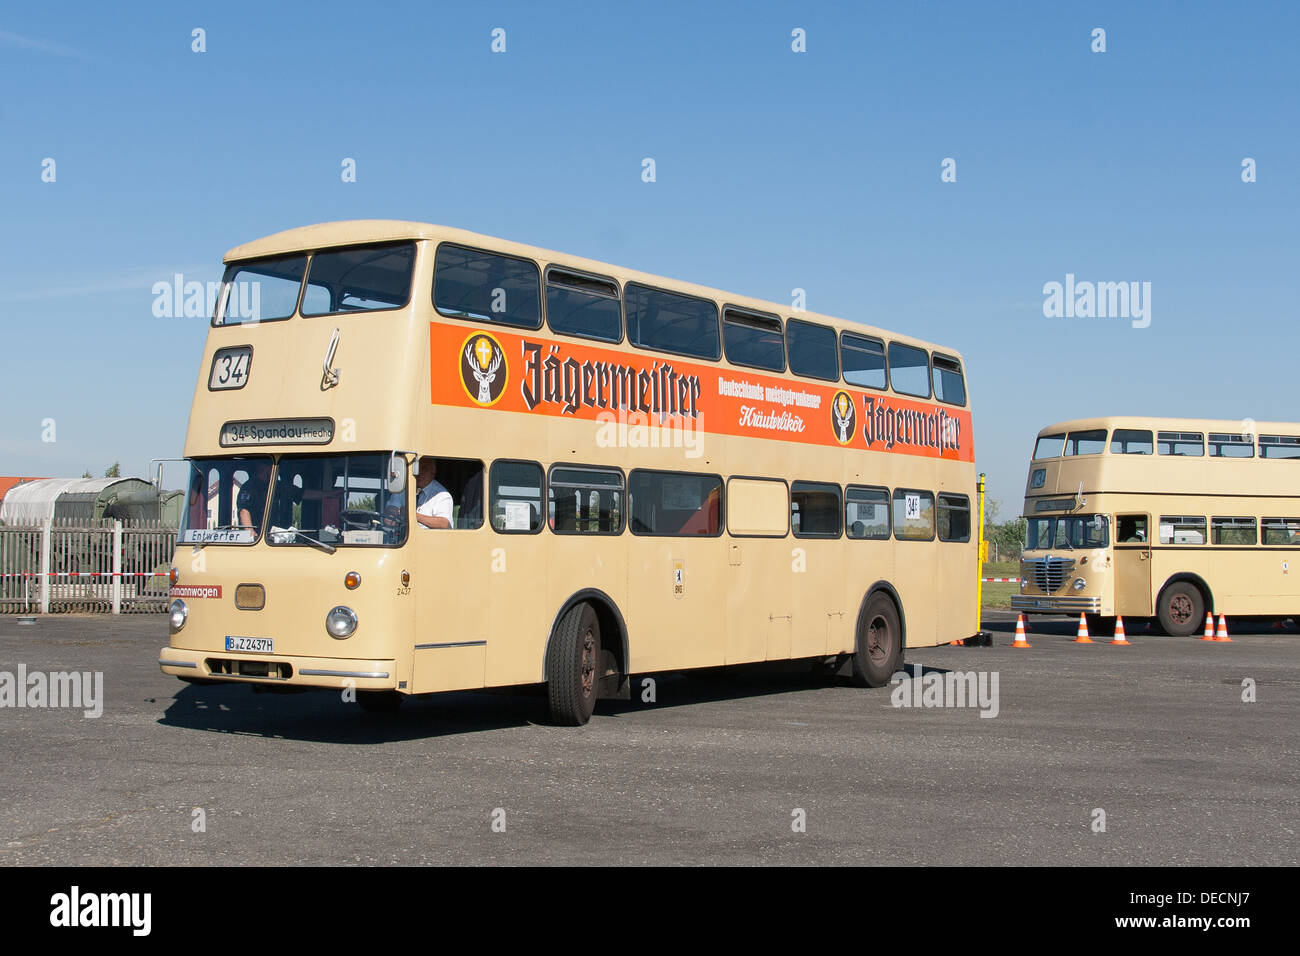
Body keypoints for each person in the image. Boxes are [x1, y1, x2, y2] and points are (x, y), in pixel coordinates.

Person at [413, 457, 453, 529]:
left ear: (433, 471)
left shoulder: (441, 495)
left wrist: (413, 516)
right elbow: (392, 507)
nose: (419, 472)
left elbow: (445, 524)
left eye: (424, 469)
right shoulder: (407, 488)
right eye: (417, 468)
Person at [237, 460, 272, 530]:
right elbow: (244, 511)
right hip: (257, 535)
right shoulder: (249, 487)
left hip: (275, 535)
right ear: (262, 468)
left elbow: (297, 494)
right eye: (270, 468)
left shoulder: (276, 486)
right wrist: (251, 532)